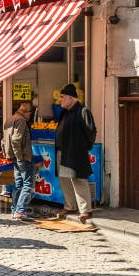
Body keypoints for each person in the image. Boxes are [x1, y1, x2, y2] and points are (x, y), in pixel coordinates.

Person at [55, 84, 96, 224]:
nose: (60, 100)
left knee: (78, 180)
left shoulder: (83, 111)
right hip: (62, 152)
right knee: (64, 180)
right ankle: (70, 206)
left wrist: (84, 147)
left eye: (62, 97)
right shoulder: (65, 112)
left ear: (71, 98)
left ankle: (85, 210)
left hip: (76, 152)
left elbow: (91, 132)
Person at [2, 103, 41, 222]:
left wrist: (7, 154)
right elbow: (16, 140)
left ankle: (14, 210)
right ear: (27, 112)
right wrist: (20, 158)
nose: (30, 116)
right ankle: (20, 211)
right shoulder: (21, 121)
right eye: (30, 113)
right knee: (28, 184)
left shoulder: (10, 119)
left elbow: (4, 140)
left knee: (18, 184)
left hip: (14, 157)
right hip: (22, 157)